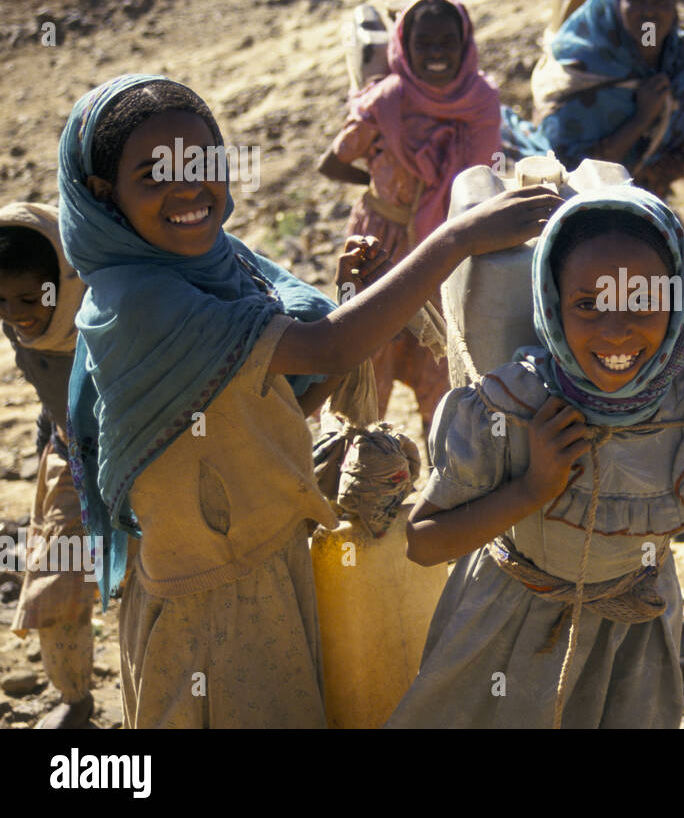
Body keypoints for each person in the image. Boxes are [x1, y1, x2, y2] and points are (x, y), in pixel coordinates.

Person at [57, 74, 560, 728]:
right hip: (205, 602)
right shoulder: (140, 303)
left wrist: (360, 298)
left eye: (201, 161)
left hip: (270, 562)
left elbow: (288, 395)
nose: (187, 187)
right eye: (153, 174)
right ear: (105, 195)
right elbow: (324, 347)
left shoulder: (221, 264)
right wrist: (453, 241)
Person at [387, 187, 684, 728]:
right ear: (552, 308)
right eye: (588, 304)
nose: (616, 328)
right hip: (510, 631)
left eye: (642, 301)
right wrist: (532, 489)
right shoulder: (512, 406)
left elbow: (652, 514)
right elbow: (422, 543)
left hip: (631, 635)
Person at [318, 0, 501, 438]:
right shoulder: (387, 101)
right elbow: (333, 161)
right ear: (405, 46)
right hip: (376, 245)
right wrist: (388, 189)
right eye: (425, 43)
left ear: (465, 44)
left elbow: (485, 180)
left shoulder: (480, 104)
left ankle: (444, 461)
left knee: (442, 354)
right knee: (366, 349)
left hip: (446, 247)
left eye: (447, 42)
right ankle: (362, 472)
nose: (436, 53)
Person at [500, 0, 684, 201]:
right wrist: (641, 119)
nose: (649, 12)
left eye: (661, 0)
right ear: (615, 1)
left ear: (675, 5)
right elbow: (567, 168)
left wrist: (640, 194)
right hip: (576, 202)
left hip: (646, 201)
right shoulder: (582, 63)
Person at [0, 204, 96, 729]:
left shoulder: (108, 314)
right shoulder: (25, 328)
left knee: (169, 587)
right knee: (56, 579)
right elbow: (49, 394)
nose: (15, 314)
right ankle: (75, 696)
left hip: (154, 464)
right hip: (74, 459)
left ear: (62, 277)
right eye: (1, 301)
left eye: (29, 297)